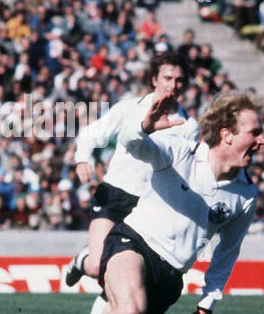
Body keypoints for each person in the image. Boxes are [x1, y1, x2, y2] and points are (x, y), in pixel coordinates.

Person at [0, 91, 263, 314]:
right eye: (254, 132)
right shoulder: (180, 152)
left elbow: (227, 253)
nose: (262, 140)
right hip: (133, 243)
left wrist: (206, 306)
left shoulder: (246, 195)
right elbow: (134, 145)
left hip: (170, 277)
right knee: (130, 309)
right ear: (226, 134)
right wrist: (142, 127)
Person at [63, 52, 196, 287]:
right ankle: (81, 260)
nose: (173, 85)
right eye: (167, 78)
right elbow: (91, 134)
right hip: (115, 194)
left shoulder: (188, 126)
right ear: (154, 79)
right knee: (96, 266)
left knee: (130, 278)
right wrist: (83, 159)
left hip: (149, 207)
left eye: (179, 80)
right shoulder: (129, 108)